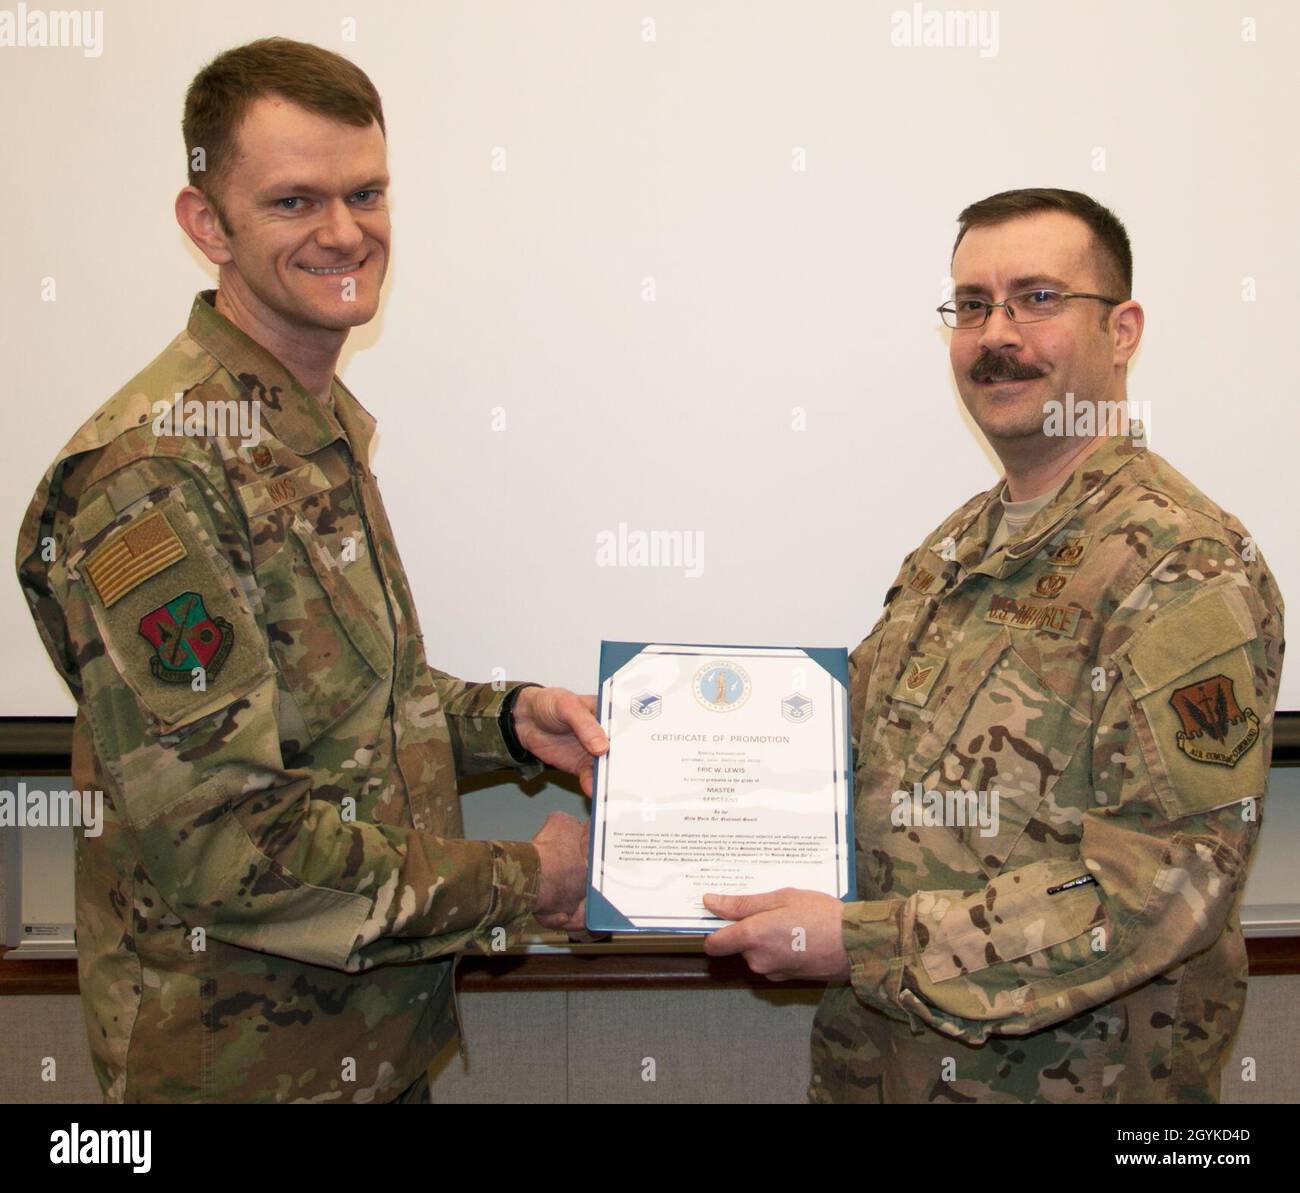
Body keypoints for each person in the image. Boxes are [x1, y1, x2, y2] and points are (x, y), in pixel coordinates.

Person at [15, 37, 604, 1105]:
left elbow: (342, 710)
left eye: (366, 191)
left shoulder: (303, 428)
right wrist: (530, 880)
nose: (345, 232)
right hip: (238, 1073)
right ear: (209, 226)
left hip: (364, 1049)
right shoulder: (155, 473)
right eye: (293, 201)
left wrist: (510, 719)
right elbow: (229, 844)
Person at [703, 188, 1285, 1103]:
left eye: (1038, 299)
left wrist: (860, 942)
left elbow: (1165, 887)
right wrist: (654, 771)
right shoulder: (953, 549)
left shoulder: (1184, 566)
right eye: (971, 305)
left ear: (1123, 329)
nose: (995, 334)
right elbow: (836, 761)